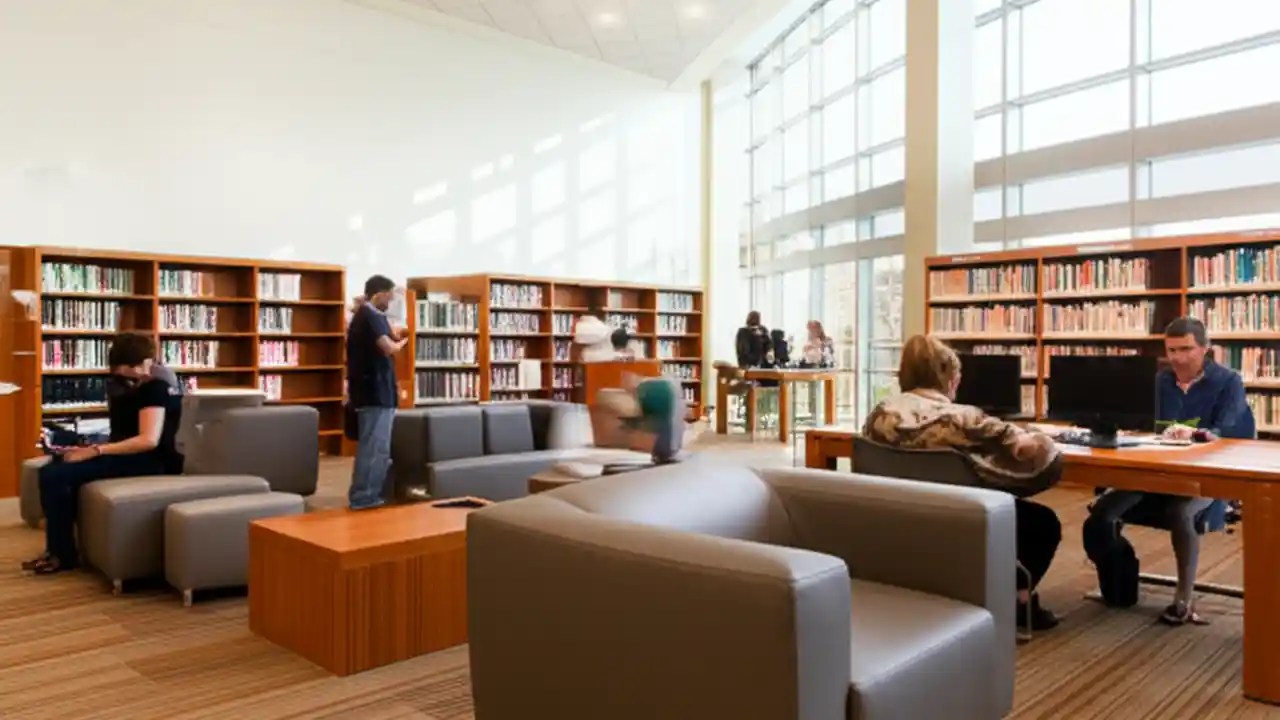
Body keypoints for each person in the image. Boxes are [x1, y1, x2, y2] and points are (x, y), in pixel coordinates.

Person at [862, 334, 1063, 631]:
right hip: (960, 520)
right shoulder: (966, 419)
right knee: (1043, 524)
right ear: (951, 380)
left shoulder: (879, 415)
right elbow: (1032, 453)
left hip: (894, 519)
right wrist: (1036, 435)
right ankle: (1018, 602)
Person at [1083, 316, 1255, 625]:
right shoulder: (1160, 381)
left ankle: (1183, 600)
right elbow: (1140, 423)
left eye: (1186, 349)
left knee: (1181, 512)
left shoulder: (1229, 381)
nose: (1178, 358)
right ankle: (1119, 582)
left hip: (1205, 475)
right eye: (1171, 350)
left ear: (1206, 349)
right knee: (1103, 512)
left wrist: (1196, 434)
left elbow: (1229, 431)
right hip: (1156, 470)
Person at [25, 333, 183, 575]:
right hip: (125, 453)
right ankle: (61, 543)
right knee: (58, 462)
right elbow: (121, 433)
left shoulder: (157, 388)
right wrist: (83, 447)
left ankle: (61, 554)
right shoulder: (122, 387)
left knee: (54, 475)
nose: (123, 375)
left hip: (150, 460)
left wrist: (95, 451)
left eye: (130, 368)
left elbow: (148, 440)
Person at [345, 275, 406, 510]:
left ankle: (368, 493)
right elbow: (387, 347)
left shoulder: (367, 316)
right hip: (375, 394)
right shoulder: (370, 316)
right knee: (374, 447)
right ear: (379, 294)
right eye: (389, 297)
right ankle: (364, 496)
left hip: (372, 392)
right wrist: (402, 344)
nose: (390, 302)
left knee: (375, 446)